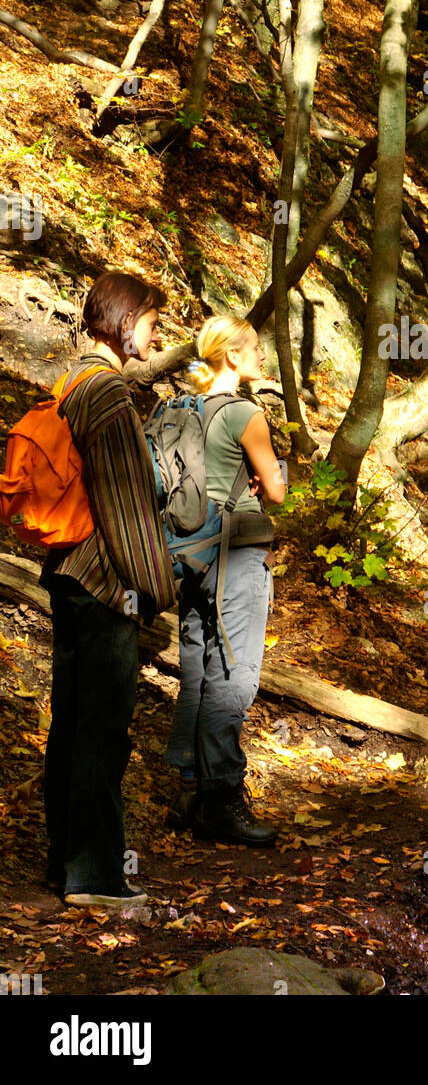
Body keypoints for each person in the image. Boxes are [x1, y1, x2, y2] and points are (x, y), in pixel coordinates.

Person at [42, 273, 177, 908]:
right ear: (125, 323)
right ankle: (95, 877)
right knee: (101, 731)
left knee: (69, 725)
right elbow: (126, 508)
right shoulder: (111, 397)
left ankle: (62, 864)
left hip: (65, 571)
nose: (158, 332)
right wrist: (158, 589)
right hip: (105, 585)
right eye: (152, 319)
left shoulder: (71, 383)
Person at [164, 315, 286, 846]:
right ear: (232, 356)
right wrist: (268, 474)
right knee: (234, 675)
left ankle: (189, 789)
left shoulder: (179, 407)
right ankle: (222, 798)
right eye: (256, 349)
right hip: (237, 551)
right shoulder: (245, 413)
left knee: (198, 666)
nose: (262, 358)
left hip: (190, 554)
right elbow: (276, 491)